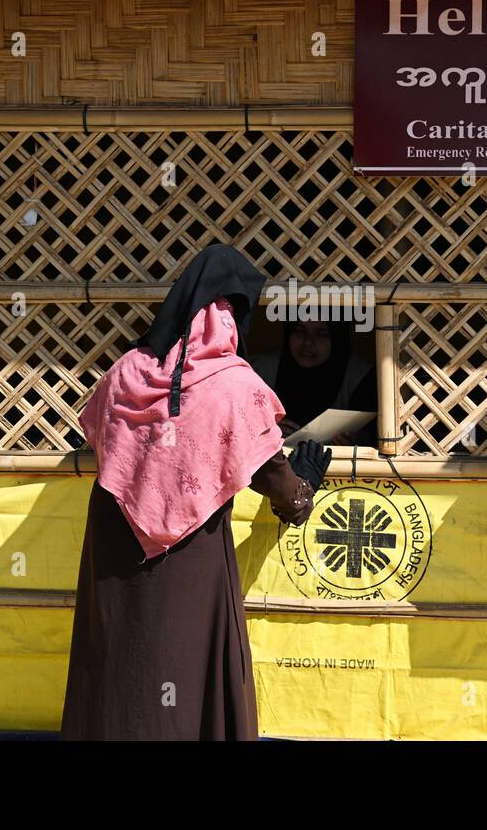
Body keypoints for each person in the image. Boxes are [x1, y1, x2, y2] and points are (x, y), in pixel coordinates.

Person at [59, 244, 333, 741]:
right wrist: (304, 489)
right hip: (188, 552)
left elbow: (100, 435)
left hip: (114, 543)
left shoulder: (125, 371)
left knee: (119, 661)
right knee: (181, 663)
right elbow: (279, 484)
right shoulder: (235, 385)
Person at [250, 320, 376, 445]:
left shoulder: (359, 376)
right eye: (300, 330)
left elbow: (374, 434)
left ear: (336, 337)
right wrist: (264, 430)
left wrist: (354, 440)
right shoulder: (259, 370)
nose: (308, 342)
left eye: (321, 333)